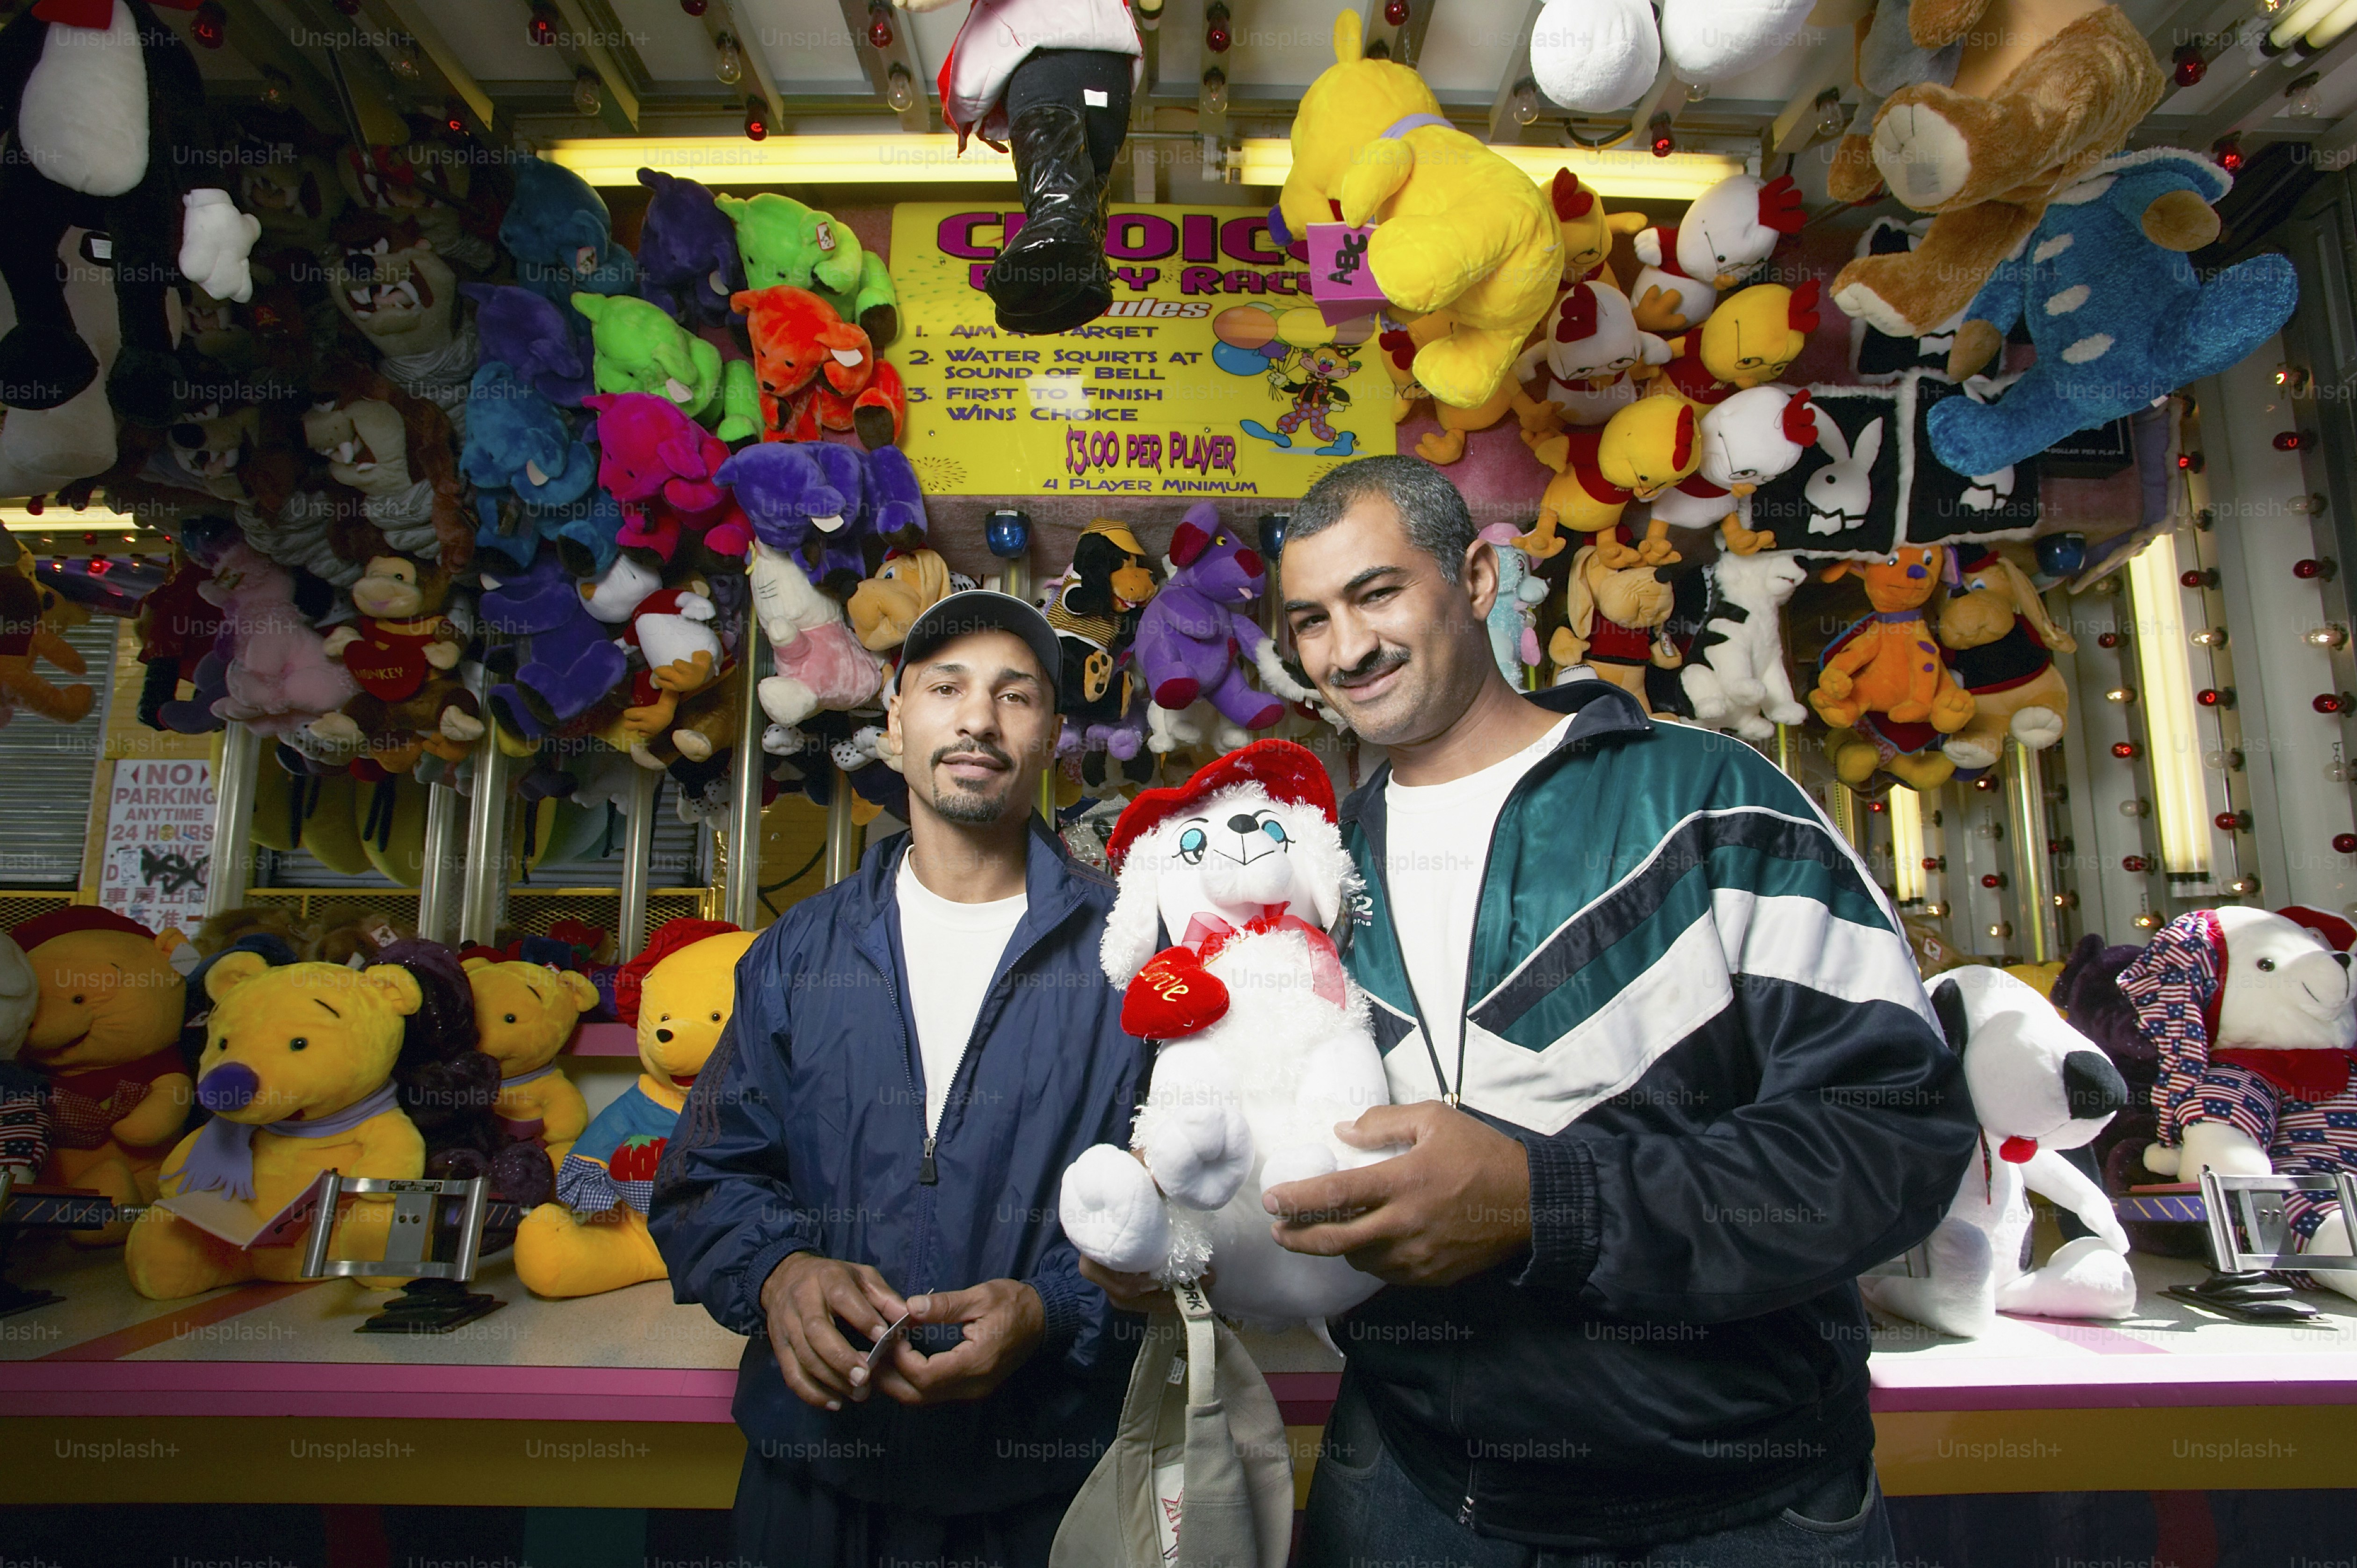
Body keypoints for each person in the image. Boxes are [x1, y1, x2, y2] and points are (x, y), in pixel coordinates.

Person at [1093, 455, 1979, 1565]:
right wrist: (1173, 1240)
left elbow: (1891, 1135)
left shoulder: (1708, 802)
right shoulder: (1311, 879)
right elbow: (1265, 1152)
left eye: (1377, 595)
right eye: (1310, 620)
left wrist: (1545, 1203)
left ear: (1473, 575)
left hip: (1735, 1511)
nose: (1346, 649)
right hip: (1412, 1488)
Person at [653, 591, 1142, 1568]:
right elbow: (705, 1180)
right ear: (894, 721)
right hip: (817, 1484)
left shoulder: (1134, 953)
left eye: (1015, 696)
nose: (976, 719)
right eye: (946, 688)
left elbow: (1191, 1222)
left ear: (1052, 734)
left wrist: (1050, 1315)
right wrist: (780, 1272)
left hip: (1048, 1493)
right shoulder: (799, 952)